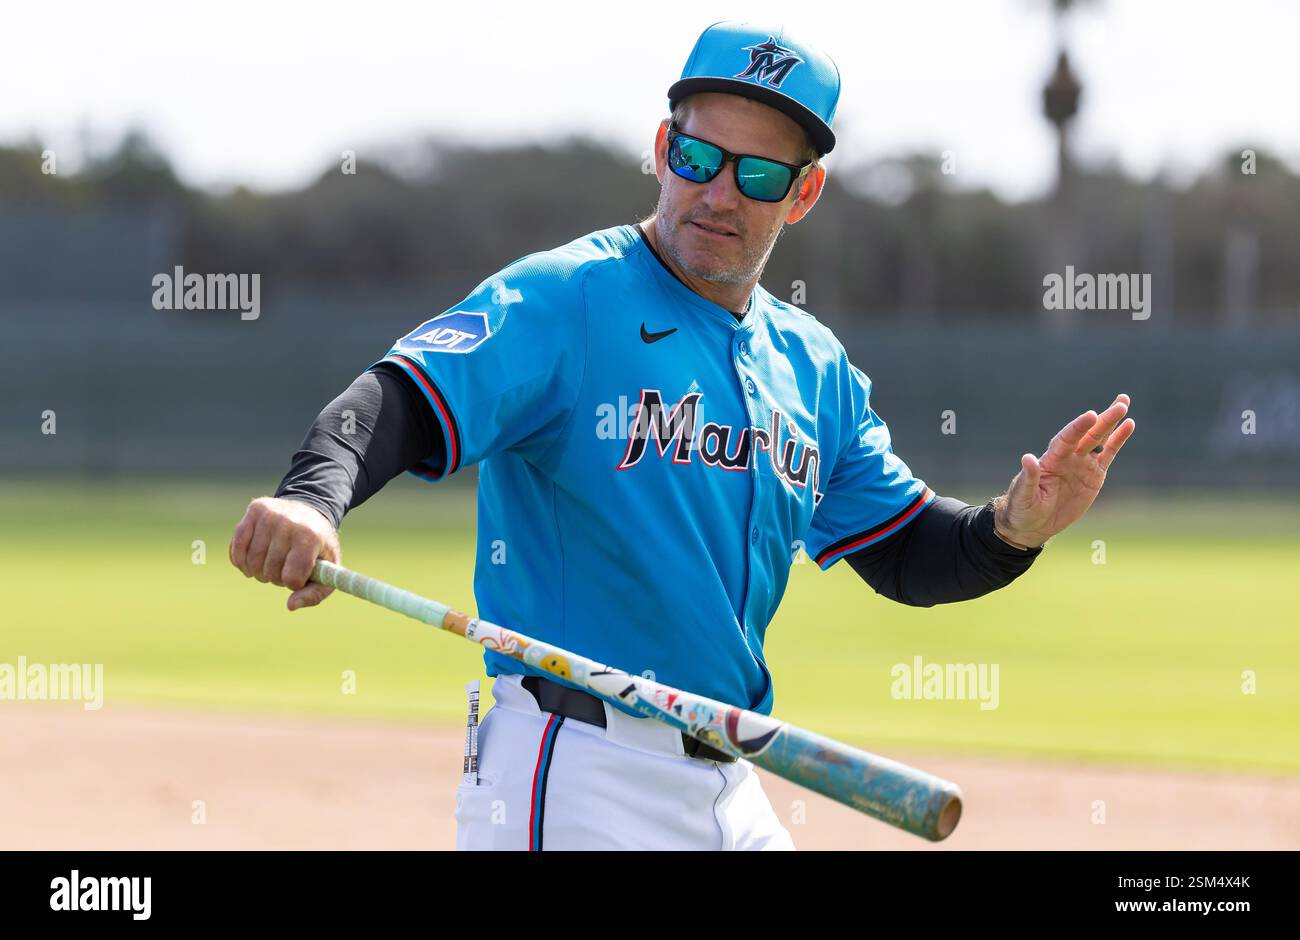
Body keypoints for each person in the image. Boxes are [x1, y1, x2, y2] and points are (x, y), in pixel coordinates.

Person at [229, 20, 1135, 850]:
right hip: (576, 768)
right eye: (700, 155)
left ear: (804, 193)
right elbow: (399, 399)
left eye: (762, 174)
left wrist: (1015, 524)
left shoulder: (811, 367)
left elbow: (908, 553)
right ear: (664, 149)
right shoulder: (567, 298)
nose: (720, 191)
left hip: (732, 777)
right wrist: (311, 500)